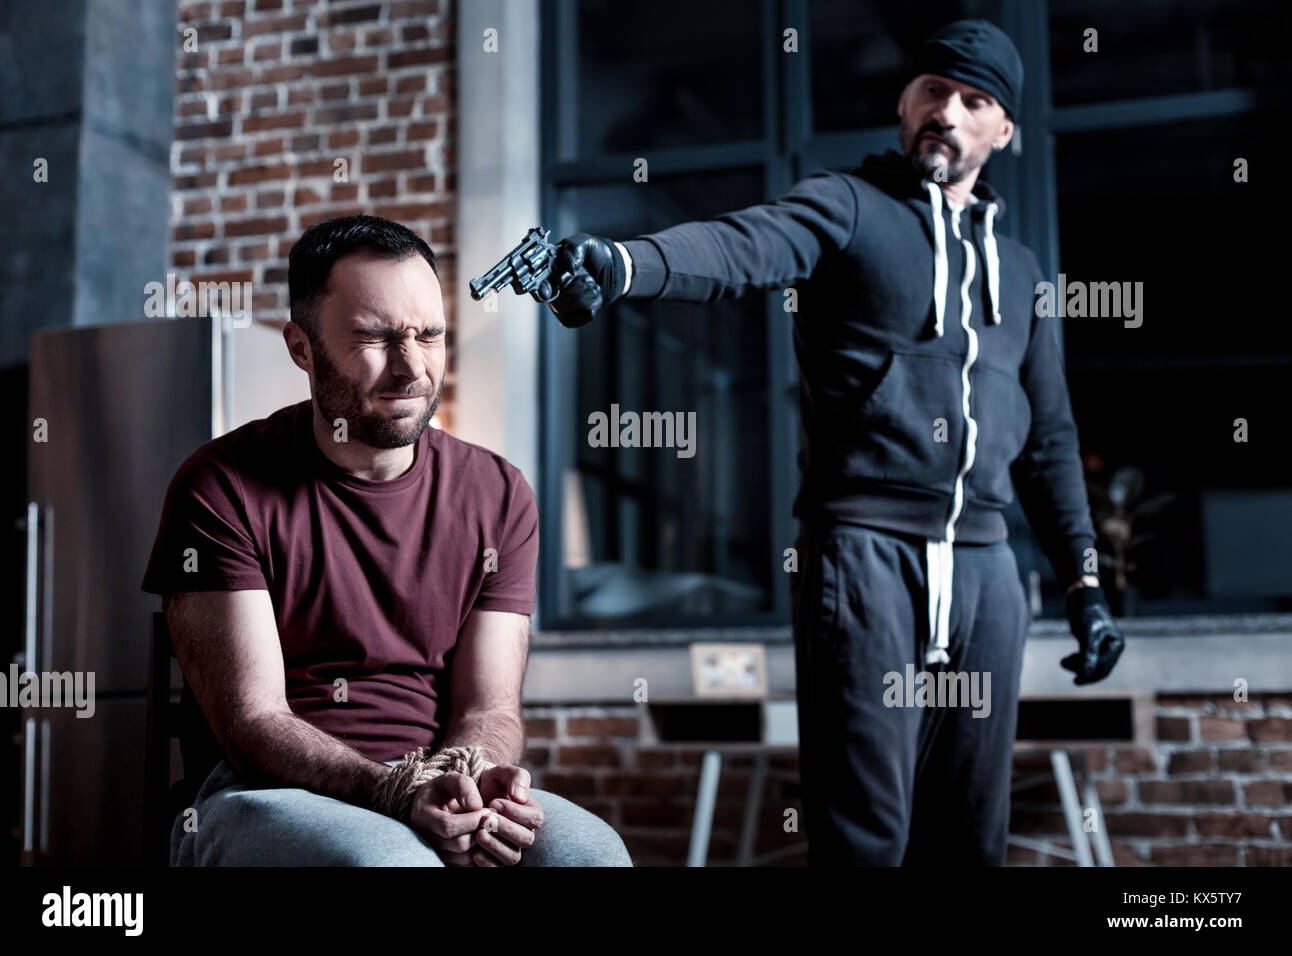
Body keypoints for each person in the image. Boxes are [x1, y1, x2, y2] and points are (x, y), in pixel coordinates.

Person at [542, 19, 1124, 866]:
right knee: (864, 833)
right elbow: (743, 246)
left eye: (973, 100)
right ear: (904, 100)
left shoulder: (1024, 269)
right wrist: (626, 266)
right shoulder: (848, 206)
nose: (947, 112)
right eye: (932, 90)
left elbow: (1052, 439)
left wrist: (1084, 583)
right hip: (864, 548)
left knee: (969, 834)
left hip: (989, 568)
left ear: (1003, 130)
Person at [141, 215, 631, 867]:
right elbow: (252, 724)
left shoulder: (499, 492)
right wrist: (397, 790)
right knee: (390, 863)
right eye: (374, 337)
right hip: (260, 791)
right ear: (301, 347)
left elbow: (489, 706)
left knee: (592, 856)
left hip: (432, 779)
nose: (411, 368)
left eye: (429, 335)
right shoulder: (219, 486)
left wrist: (465, 779)